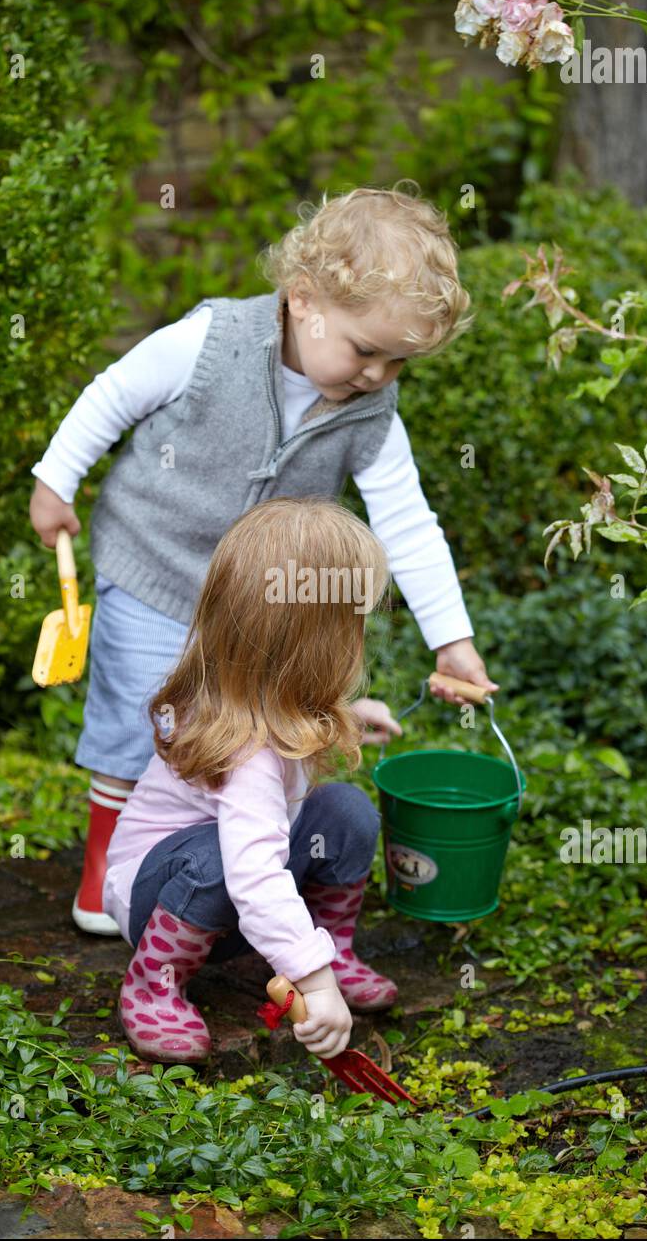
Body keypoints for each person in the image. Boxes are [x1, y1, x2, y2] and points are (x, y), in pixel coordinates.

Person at [29, 181, 499, 936]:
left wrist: (454, 640)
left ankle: (210, 870)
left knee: (240, 730)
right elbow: (112, 395)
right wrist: (55, 480)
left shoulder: (370, 411)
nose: (378, 375)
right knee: (137, 717)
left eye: (398, 363)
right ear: (304, 298)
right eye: (366, 351)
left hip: (254, 606)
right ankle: (106, 876)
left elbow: (406, 522)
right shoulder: (210, 342)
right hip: (153, 567)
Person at [106, 496, 407, 1063]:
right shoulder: (245, 753)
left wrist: (353, 714)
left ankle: (327, 947)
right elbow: (254, 875)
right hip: (164, 900)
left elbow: (290, 723)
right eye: (354, 624)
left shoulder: (256, 689)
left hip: (233, 900)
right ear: (316, 646)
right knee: (223, 856)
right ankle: (154, 983)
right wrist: (313, 986)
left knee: (345, 812)